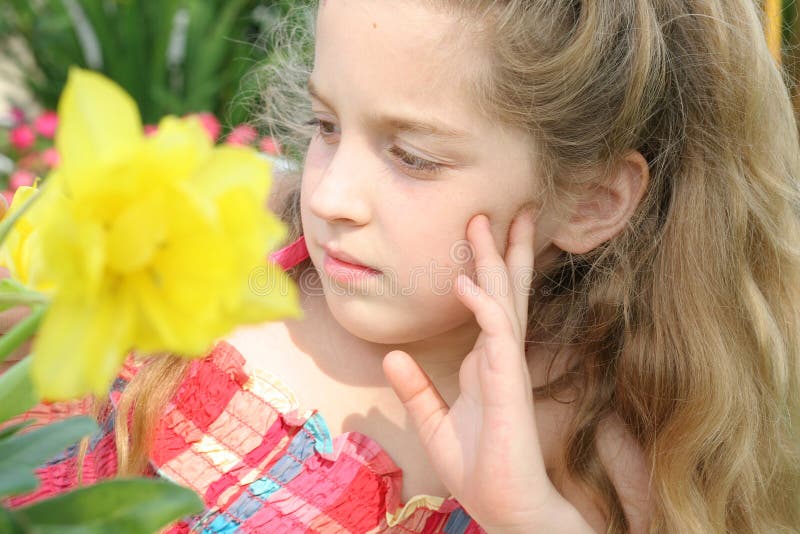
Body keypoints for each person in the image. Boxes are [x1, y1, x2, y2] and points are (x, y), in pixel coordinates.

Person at [3, 0, 800, 532]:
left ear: (592, 199)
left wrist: (526, 519)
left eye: (412, 156)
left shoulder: (614, 459)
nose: (329, 195)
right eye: (325, 124)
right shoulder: (217, 251)